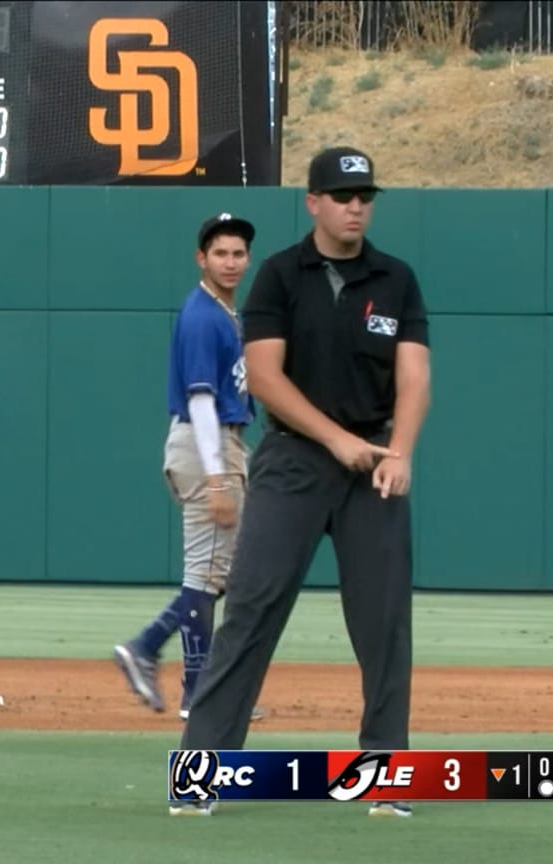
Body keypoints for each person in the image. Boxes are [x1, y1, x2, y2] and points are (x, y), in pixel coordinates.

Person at [171, 146, 431, 818]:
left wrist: (397, 450)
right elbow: (264, 378)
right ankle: (202, 774)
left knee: (382, 621)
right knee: (252, 607)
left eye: (364, 196)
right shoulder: (281, 277)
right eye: (342, 195)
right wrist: (336, 439)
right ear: (312, 201)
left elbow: (412, 375)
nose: (355, 206)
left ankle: (385, 772)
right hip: (292, 462)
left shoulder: (395, 278)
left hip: (372, 468)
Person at [113, 213, 265, 724]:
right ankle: (149, 650)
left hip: (215, 446)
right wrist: (218, 476)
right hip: (208, 447)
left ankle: (196, 689)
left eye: (238, 253)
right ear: (202, 258)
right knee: (208, 575)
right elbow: (201, 399)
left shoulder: (225, 311)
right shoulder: (203, 315)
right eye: (220, 252)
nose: (230, 261)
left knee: (216, 575)